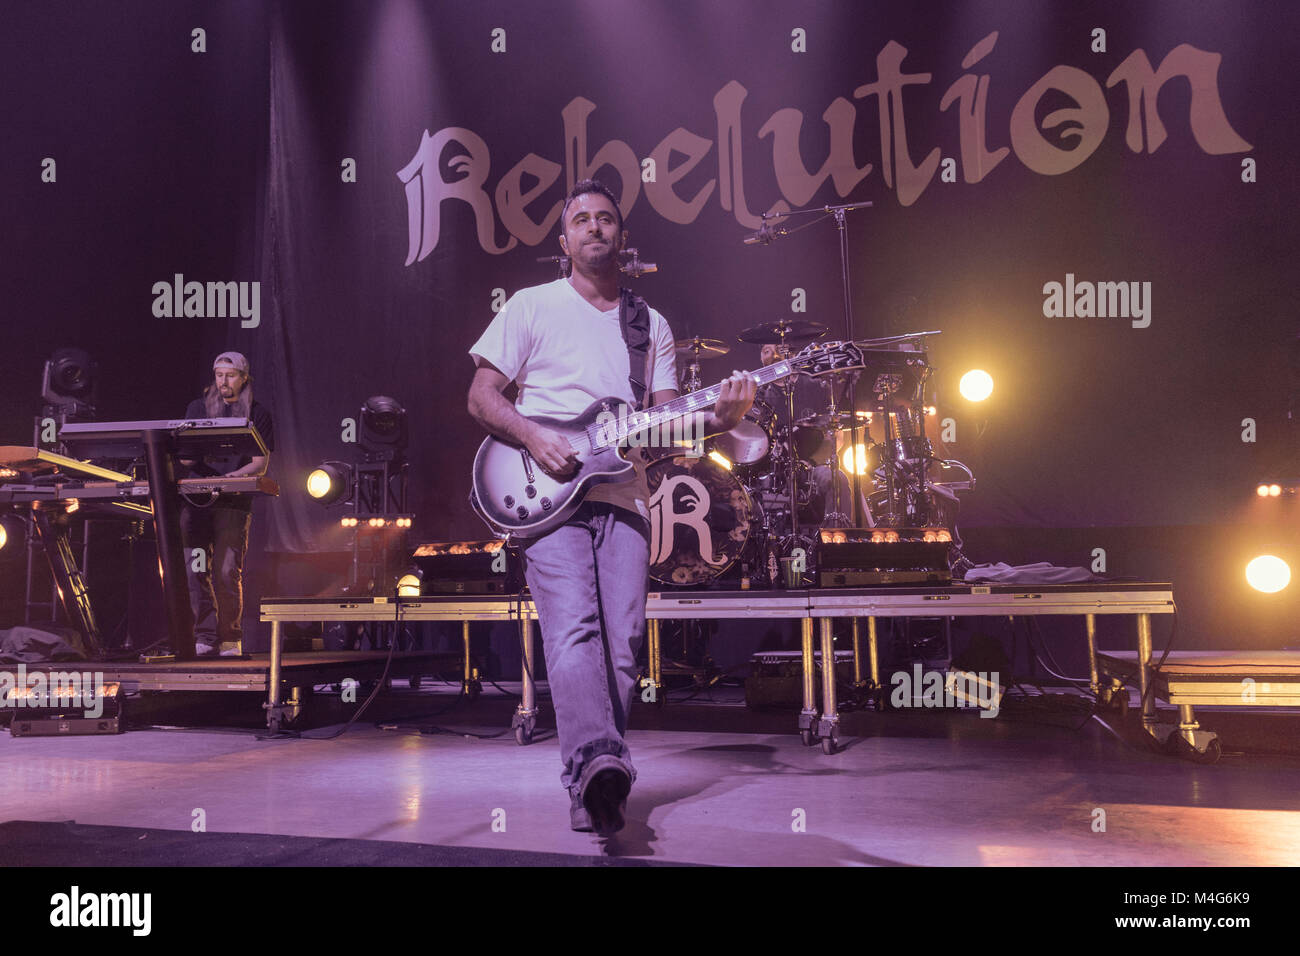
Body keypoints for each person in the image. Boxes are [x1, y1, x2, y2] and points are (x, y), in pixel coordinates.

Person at [467, 179, 755, 835]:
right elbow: (483, 397)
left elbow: (661, 423)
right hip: (545, 497)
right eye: (582, 220)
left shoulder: (647, 324)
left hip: (625, 497)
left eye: (607, 220)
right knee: (572, 633)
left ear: (622, 238)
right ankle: (596, 767)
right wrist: (537, 437)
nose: (595, 228)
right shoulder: (531, 307)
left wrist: (718, 419)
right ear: (563, 240)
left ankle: (598, 782)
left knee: (623, 646)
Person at [179, 351, 274, 657]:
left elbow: (260, 464)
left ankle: (230, 637)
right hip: (196, 500)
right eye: (219, 375)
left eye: (230, 375)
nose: (223, 381)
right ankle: (205, 635)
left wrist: (231, 477)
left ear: (244, 378)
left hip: (234, 500)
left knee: (226, 569)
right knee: (195, 568)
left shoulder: (258, 413)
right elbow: (185, 458)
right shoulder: (197, 407)